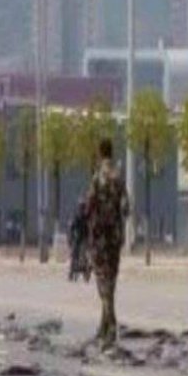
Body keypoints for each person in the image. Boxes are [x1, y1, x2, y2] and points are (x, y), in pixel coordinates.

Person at [83, 138, 129, 349]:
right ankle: (103, 326)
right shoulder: (119, 177)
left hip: (100, 237)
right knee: (112, 280)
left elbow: (89, 206)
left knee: (103, 282)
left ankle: (111, 325)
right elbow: (126, 207)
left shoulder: (97, 177)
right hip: (115, 237)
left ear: (100, 153)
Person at [68, 199, 89, 282]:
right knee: (74, 255)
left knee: (85, 255)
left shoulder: (87, 217)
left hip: (85, 238)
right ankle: (72, 271)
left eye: (83, 207)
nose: (82, 209)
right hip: (78, 238)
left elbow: (90, 228)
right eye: (81, 207)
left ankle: (86, 269)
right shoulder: (76, 216)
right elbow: (71, 228)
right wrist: (71, 237)